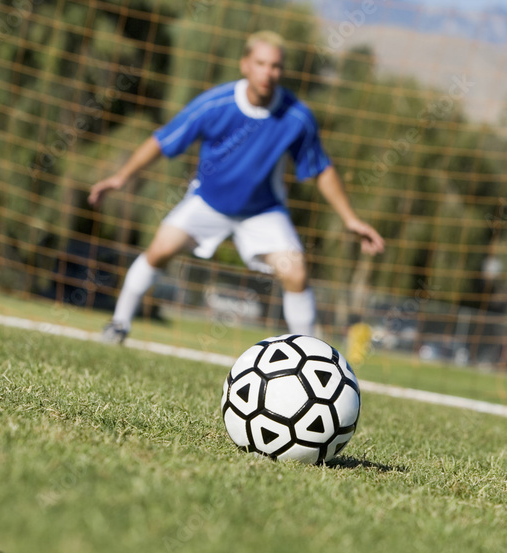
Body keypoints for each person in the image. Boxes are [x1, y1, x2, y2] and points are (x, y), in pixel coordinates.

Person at [89, 30, 384, 342]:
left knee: (295, 273)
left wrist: (350, 219)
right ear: (245, 65)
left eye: (276, 66)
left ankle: (310, 354)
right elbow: (163, 141)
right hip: (208, 202)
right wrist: (121, 177)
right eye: (261, 63)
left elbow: (321, 169)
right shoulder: (215, 104)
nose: (268, 73)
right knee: (159, 249)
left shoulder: (296, 116)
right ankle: (118, 325)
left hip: (262, 211)